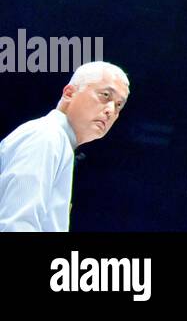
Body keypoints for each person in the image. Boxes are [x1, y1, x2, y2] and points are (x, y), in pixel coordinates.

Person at [0, 61, 130, 231]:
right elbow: (16, 224)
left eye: (119, 105)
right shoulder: (46, 135)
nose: (111, 110)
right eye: (105, 95)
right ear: (69, 93)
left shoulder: (57, 140)